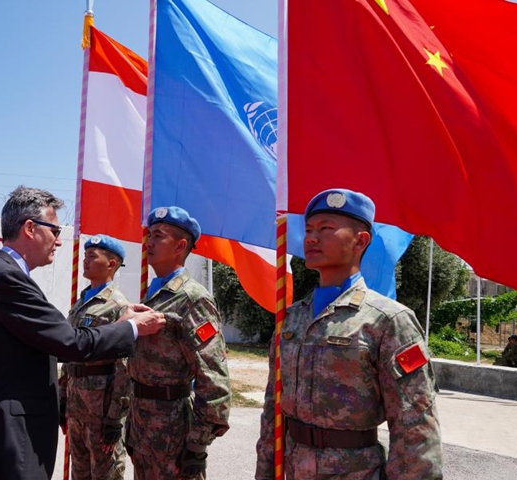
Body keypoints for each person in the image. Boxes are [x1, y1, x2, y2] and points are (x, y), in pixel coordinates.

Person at [0, 186, 166, 480]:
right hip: (6, 433)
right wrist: (132, 328)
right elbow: (71, 343)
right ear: (30, 228)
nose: (59, 241)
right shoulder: (6, 278)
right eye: (55, 230)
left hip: (2, 427)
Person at [255, 188, 443, 479]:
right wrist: (265, 473)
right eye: (308, 230)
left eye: (326, 228)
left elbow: (413, 424)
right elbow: (272, 411)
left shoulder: (388, 320)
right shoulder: (291, 319)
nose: (312, 238)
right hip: (292, 469)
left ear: (360, 240)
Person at [126, 206, 231, 480]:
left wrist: (197, 443)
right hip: (142, 424)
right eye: (150, 234)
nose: (148, 242)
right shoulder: (152, 295)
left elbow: (213, 376)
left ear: (180, 245)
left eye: (158, 236)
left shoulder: (192, 298)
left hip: (174, 430)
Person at [59, 234, 131, 480]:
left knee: (105, 472)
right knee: (80, 472)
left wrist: (115, 417)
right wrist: (62, 399)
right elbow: (69, 355)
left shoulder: (118, 306)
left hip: (100, 410)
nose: (85, 261)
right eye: (85, 256)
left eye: (92, 256)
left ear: (111, 264)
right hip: (76, 405)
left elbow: (124, 367)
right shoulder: (80, 303)